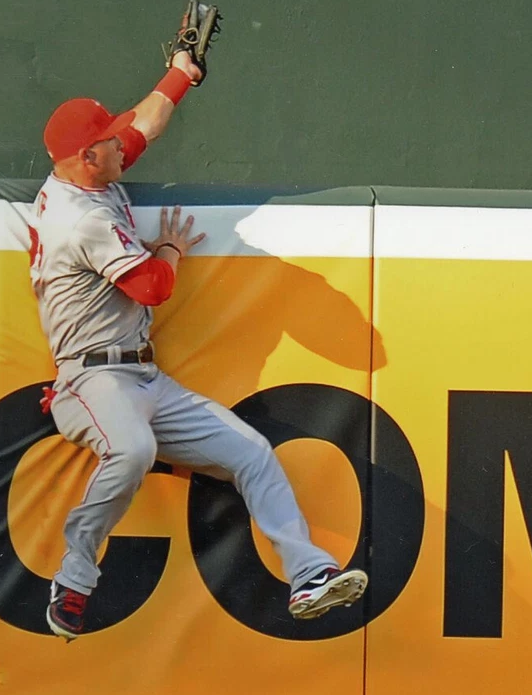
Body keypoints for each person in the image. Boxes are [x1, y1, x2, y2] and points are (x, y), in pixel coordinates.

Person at [29, 46, 368, 640]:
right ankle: (75, 576)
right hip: (90, 380)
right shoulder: (79, 219)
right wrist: (170, 249)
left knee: (251, 452)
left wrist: (183, 70)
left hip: (141, 377)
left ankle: (309, 574)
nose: (121, 143)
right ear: (88, 157)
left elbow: (145, 123)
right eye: (109, 141)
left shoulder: (83, 172)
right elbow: (153, 287)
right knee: (131, 449)